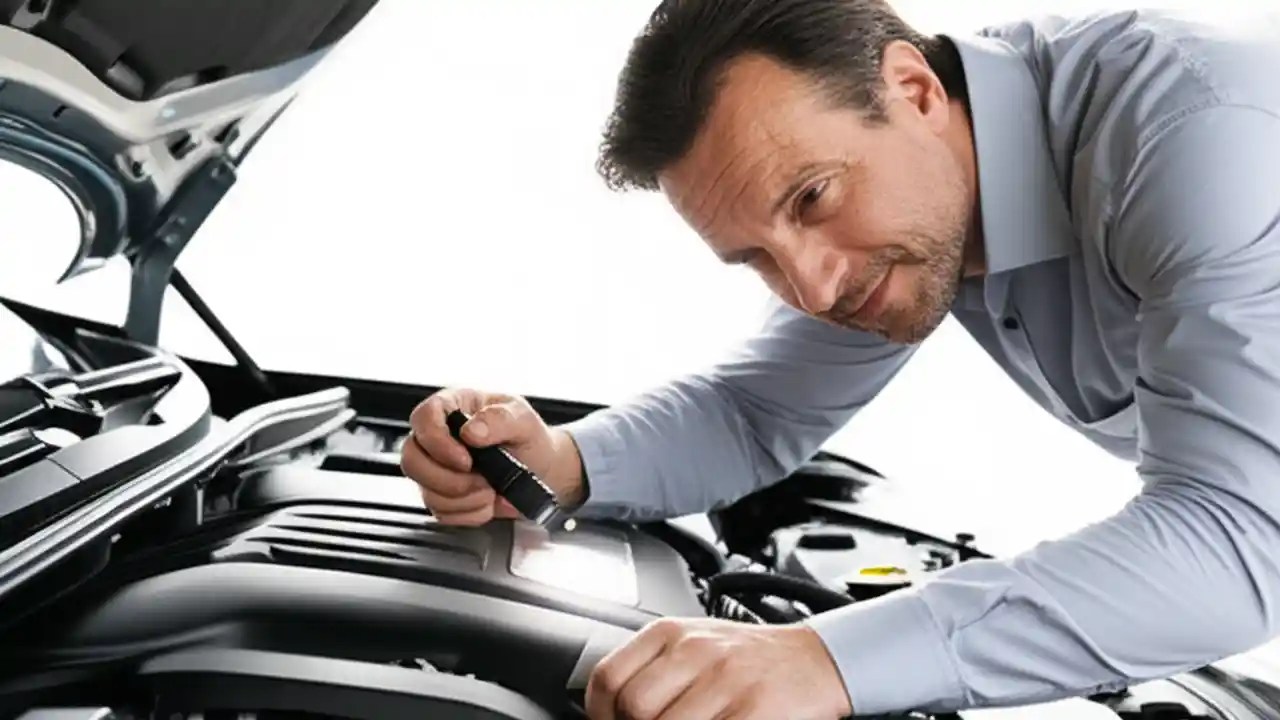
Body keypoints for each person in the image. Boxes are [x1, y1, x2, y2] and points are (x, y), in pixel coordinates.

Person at [400, 0, 1280, 717]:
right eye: (756, 258)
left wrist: (826, 661)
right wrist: (563, 462)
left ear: (914, 90)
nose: (812, 288)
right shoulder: (921, 190)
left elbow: (1242, 535)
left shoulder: (1202, 139)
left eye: (813, 198)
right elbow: (757, 412)